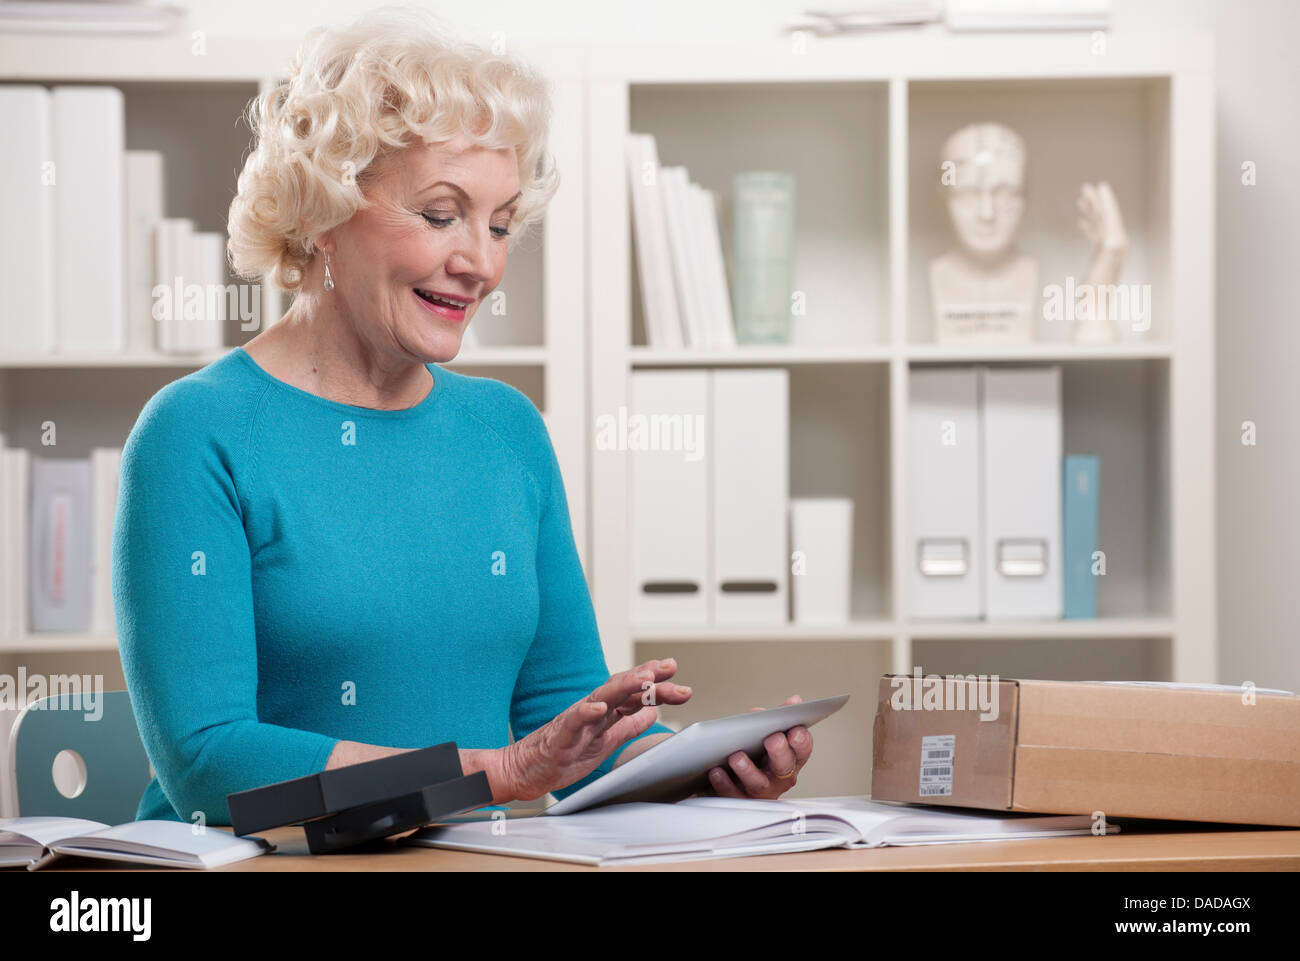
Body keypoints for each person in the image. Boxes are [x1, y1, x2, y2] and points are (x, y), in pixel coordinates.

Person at [113, 8, 813, 825]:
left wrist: (704, 768)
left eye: (502, 223)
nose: (480, 262)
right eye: (441, 214)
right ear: (322, 211)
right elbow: (209, 763)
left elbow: (567, 729)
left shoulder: (506, 431)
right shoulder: (195, 433)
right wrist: (496, 773)